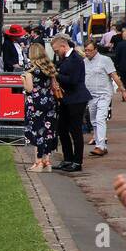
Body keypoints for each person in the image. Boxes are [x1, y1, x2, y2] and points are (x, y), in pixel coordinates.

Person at [51, 36, 90, 173]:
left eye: (56, 51)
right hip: (67, 99)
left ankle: (77, 161)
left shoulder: (76, 59)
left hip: (77, 98)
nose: (56, 53)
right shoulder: (65, 59)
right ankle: (68, 158)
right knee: (61, 128)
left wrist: (56, 74)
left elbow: (72, 80)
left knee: (76, 131)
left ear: (63, 46)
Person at [82, 39, 126, 156]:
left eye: (90, 50)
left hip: (104, 94)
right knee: (94, 121)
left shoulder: (105, 60)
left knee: (100, 118)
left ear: (96, 50)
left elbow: (114, 76)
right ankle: (101, 145)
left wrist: (123, 90)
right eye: (85, 50)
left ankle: (100, 146)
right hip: (90, 95)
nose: (87, 53)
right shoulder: (84, 61)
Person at [22, 43, 60, 172]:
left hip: (35, 103)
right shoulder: (49, 67)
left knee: (36, 130)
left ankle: (38, 162)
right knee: (49, 130)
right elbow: (54, 86)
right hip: (49, 101)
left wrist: (22, 79)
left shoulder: (30, 68)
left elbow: (29, 88)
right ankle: (47, 161)